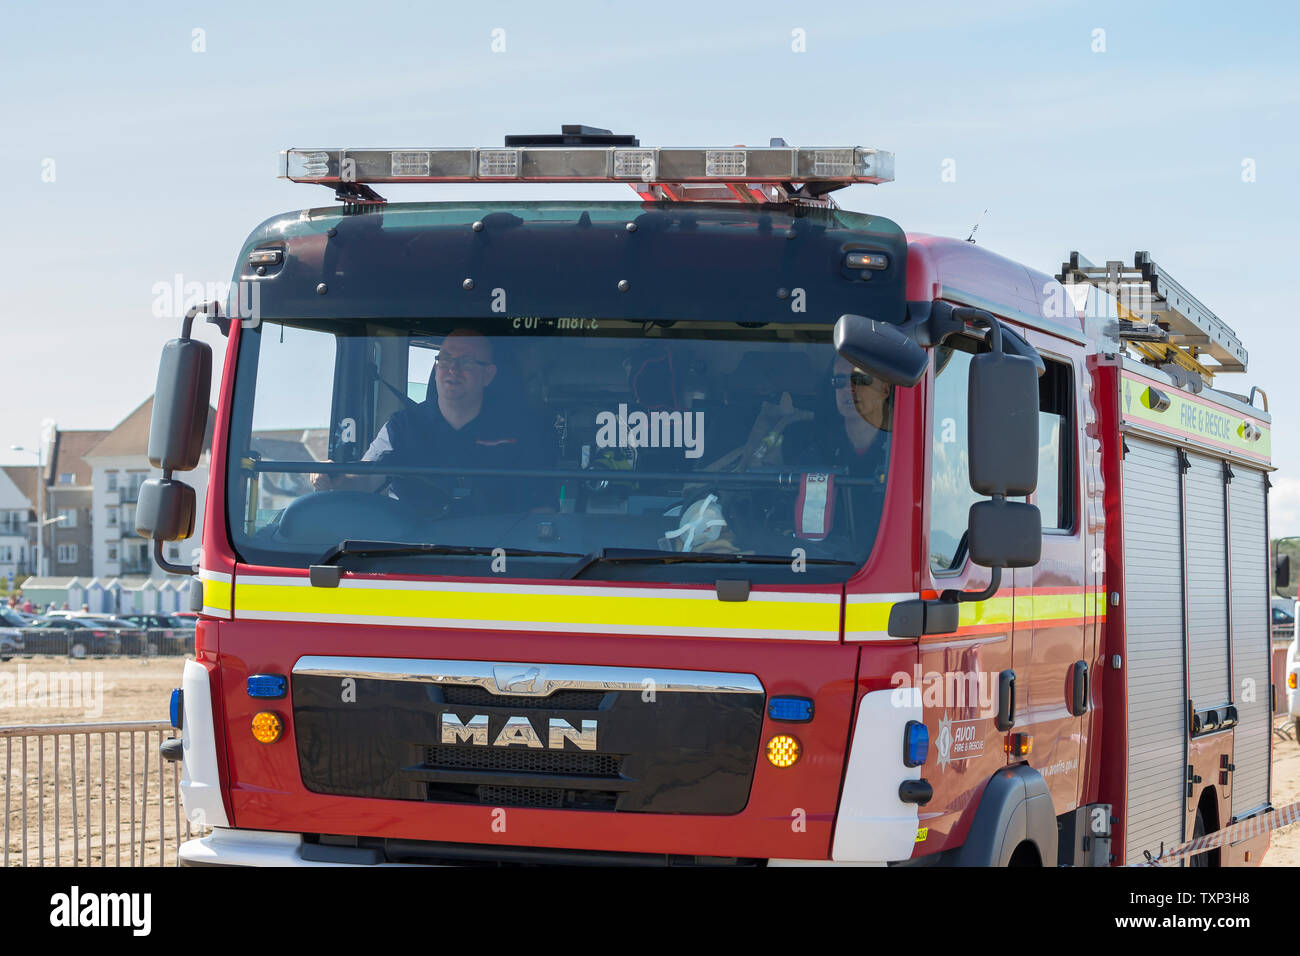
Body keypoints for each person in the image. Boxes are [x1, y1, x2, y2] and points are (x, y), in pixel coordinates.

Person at [314, 329, 552, 514]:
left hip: (496, 561)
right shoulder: (401, 427)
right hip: (413, 558)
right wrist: (333, 477)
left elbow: (541, 513)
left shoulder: (522, 433)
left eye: (466, 361)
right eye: (445, 359)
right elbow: (366, 478)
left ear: (488, 375)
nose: (452, 369)